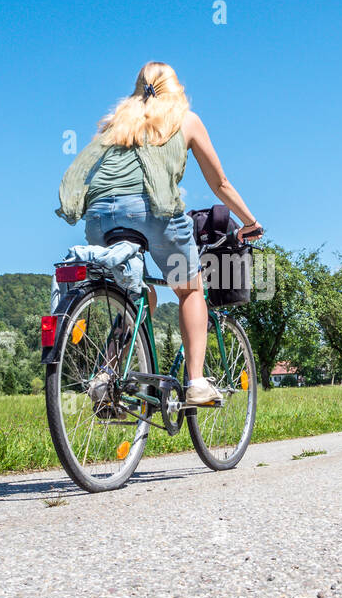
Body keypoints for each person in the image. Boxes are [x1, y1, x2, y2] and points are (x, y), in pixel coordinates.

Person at [57, 62, 261, 407]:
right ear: (175, 88)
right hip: (151, 211)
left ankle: (107, 378)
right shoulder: (186, 120)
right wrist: (250, 221)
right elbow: (220, 183)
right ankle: (196, 383)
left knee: (141, 296)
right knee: (190, 288)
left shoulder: (115, 126)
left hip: (98, 217)